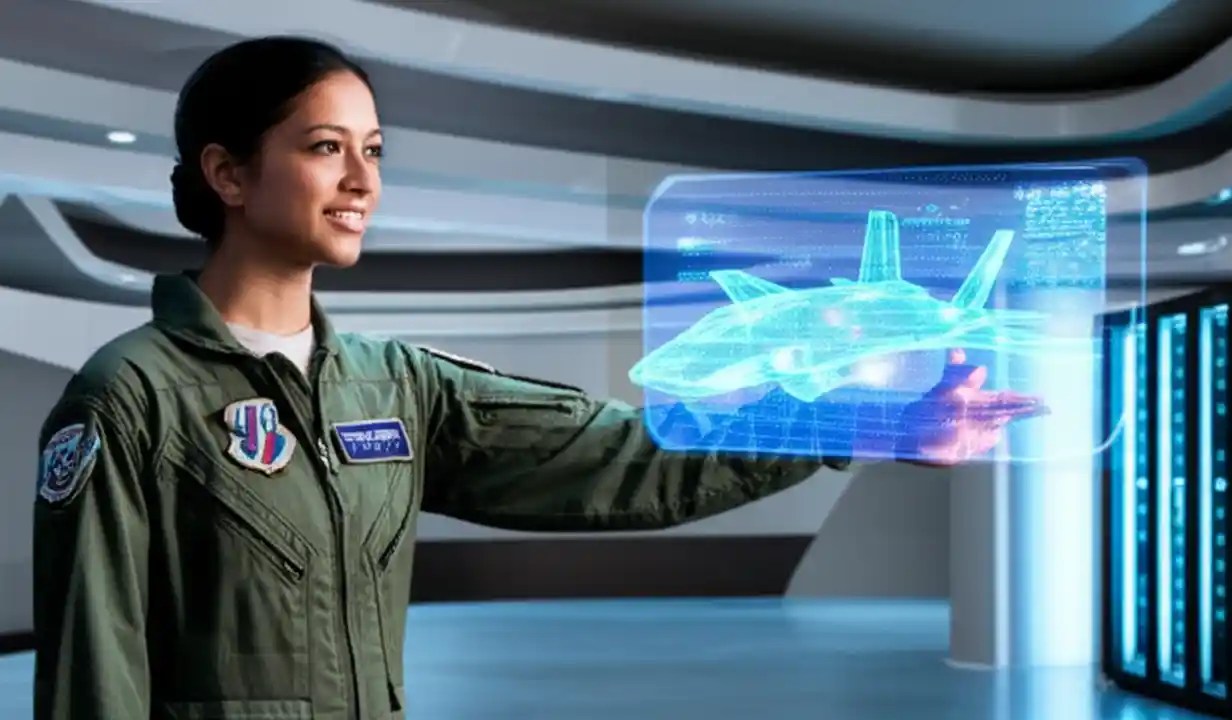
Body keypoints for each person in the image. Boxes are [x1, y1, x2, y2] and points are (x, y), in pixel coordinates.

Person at [30, 36, 1043, 720]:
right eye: (324, 148)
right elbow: (91, 677)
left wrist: (860, 420)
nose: (362, 181)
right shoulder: (132, 400)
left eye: (373, 151)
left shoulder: (396, 388)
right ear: (229, 174)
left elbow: (630, 460)